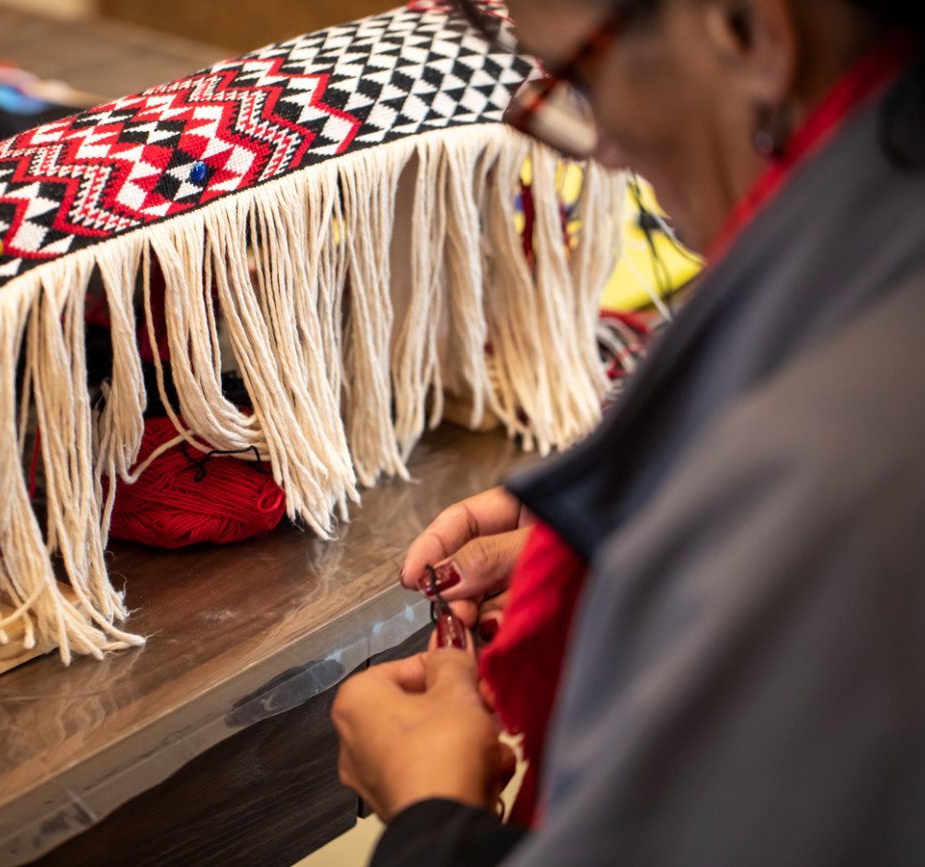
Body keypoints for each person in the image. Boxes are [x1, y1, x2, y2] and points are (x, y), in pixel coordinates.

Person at [331, 0, 925, 864]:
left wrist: (429, 815)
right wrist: (650, 528)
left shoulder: (837, 465)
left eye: (580, 78)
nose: (602, 149)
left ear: (750, 31)